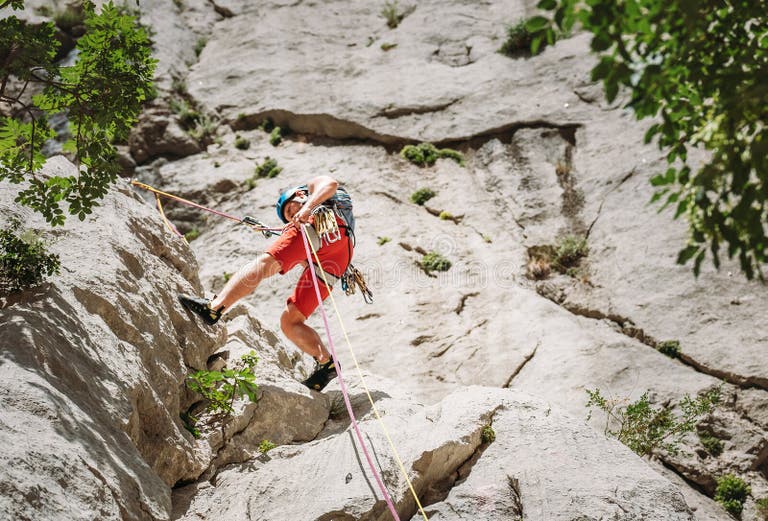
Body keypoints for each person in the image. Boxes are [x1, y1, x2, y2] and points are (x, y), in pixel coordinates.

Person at [178, 175, 354, 391]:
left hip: (322, 224)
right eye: (289, 217)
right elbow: (299, 256)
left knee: (263, 263)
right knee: (290, 322)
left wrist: (306, 209)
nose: (292, 217)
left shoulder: (311, 190)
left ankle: (214, 308)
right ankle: (326, 364)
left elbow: (330, 184)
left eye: (290, 211)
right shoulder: (321, 211)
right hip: (337, 255)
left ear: (299, 195)